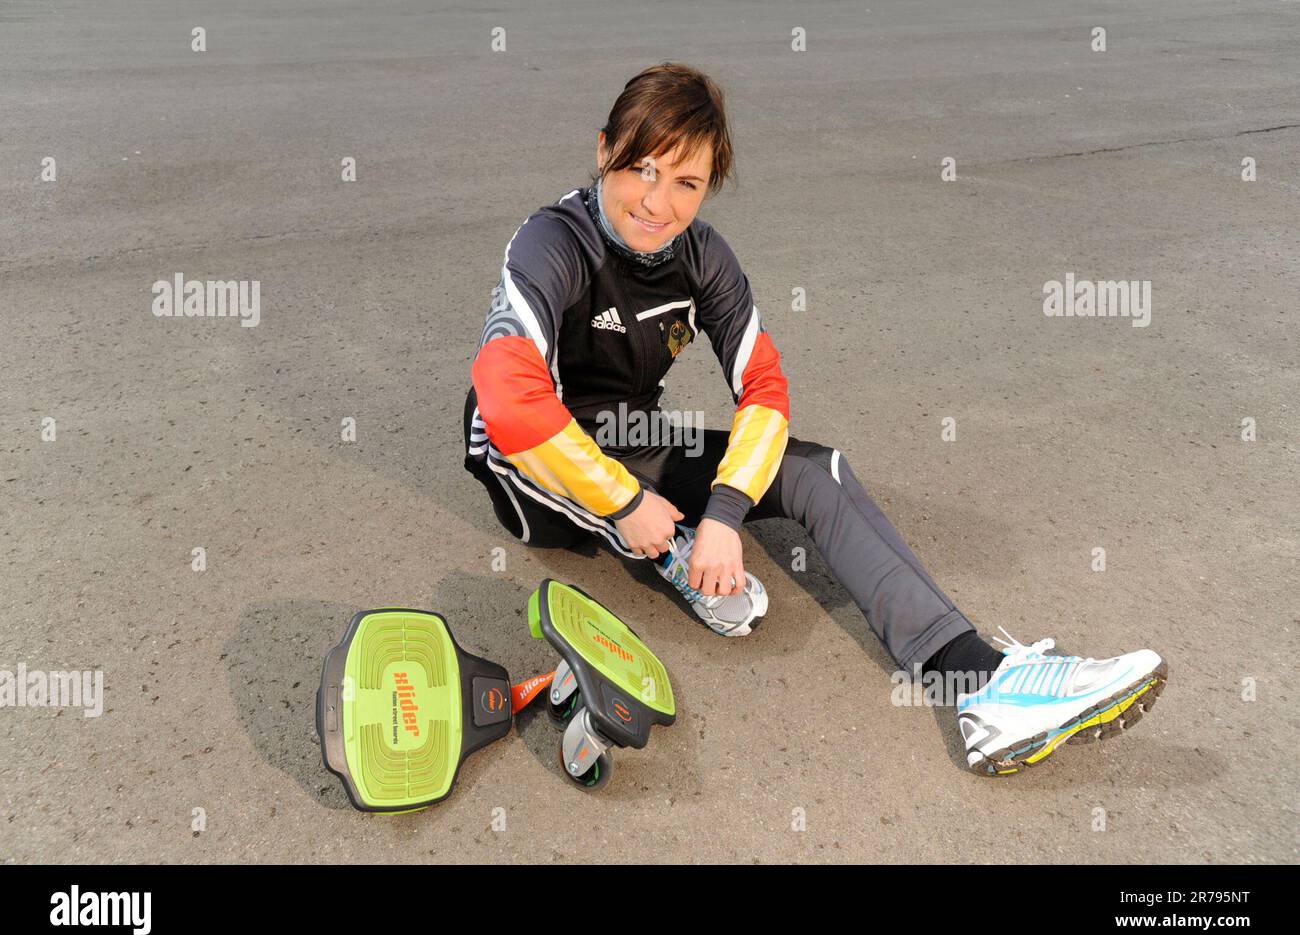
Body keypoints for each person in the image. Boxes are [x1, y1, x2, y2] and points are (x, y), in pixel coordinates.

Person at [462, 63, 1167, 775]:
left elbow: (763, 386)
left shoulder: (704, 257)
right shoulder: (552, 242)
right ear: (604, 148)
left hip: (631, 435)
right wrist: (627, 503)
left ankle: (979, 683)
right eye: (642, 169)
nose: (658, 202)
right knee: (587, 475)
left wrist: (726, 512)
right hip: (524, 463)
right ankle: (659, 539)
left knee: (814, 469)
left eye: (688, 183)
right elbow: (510, 402)